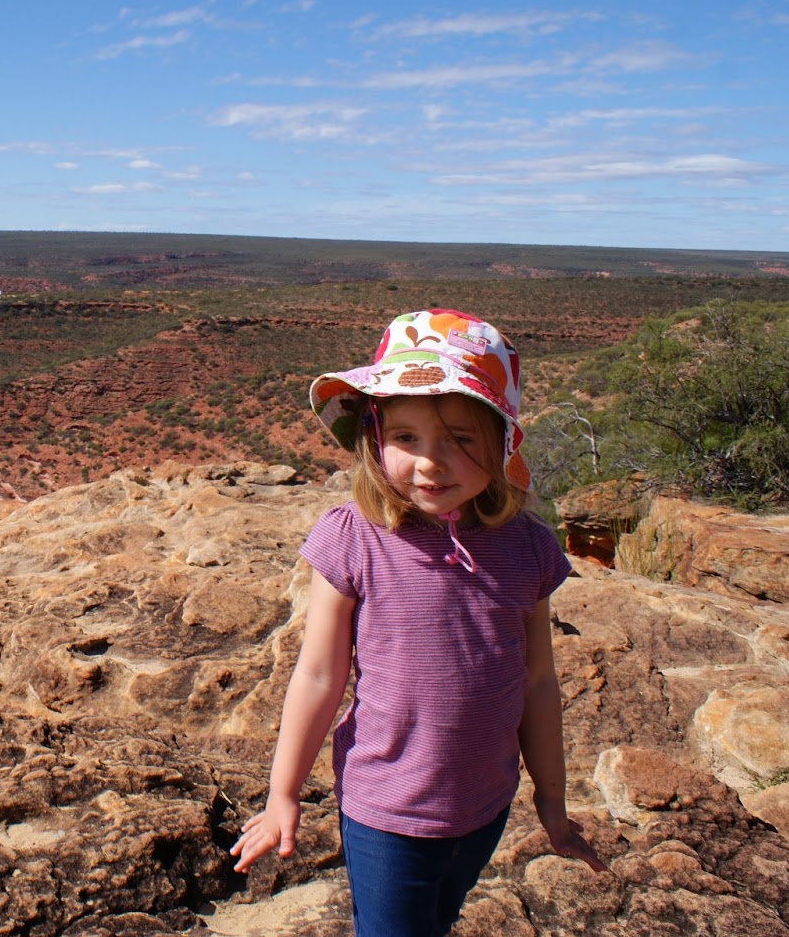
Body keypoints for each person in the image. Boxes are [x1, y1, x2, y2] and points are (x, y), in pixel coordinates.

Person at [229, 309, 605, 937]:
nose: (431, 463)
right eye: (407, 437)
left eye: (461, 439)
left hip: (486, 806)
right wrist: (282, 796)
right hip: (386, 812)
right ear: (375, 437)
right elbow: (318, 676)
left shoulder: (528, 546)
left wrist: (552, 800)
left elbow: (538, 680)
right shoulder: (354, 538)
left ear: (501, 443)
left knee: (438, 919)